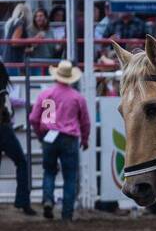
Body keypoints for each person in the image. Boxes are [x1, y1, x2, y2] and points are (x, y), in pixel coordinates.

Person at [28, 60, 90, 220]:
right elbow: (85, 121)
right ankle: (67, 213)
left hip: (49, 136)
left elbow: (34, 118)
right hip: (69, 137)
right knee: (70, 176)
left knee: (49, 171)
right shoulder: (78, 98)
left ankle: (48, 200)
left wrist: (41, 136)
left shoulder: (45, 94)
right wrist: (85, 139)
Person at [0, 67, 34, 214]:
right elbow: (10, 108)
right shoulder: (3, 89)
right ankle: (23, 201)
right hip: (5, 130)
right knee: (21, 162)